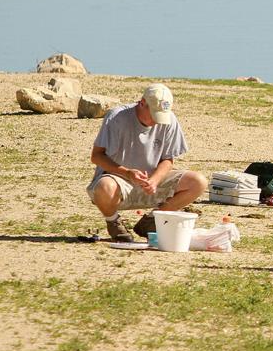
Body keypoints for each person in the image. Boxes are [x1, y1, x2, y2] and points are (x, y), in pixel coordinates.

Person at [87, 83, 209, 242]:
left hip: (151, 182)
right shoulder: (116, 117)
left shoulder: (170, 120)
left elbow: (168, 159)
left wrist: (155, 180)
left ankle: (151, 222)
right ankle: (114, 222)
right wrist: (127, 173)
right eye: (153, 114)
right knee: (105, 187)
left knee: (198, 182)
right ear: (142, 103)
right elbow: (97, 156)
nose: (156, 121)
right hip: (119, 180)